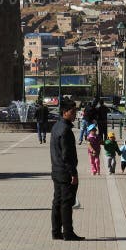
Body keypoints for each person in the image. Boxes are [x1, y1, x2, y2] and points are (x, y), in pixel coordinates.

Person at [50, 100, 84, 241]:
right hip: (64, 172)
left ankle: (56, 232)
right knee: (66, 202)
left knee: (57, 201)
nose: (75, 114)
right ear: (65, 112)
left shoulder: (56, 126)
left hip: (56, 169)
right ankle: (68, 233)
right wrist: (73, 174)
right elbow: (67, 155)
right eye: (72, 112)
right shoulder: (65, 130)